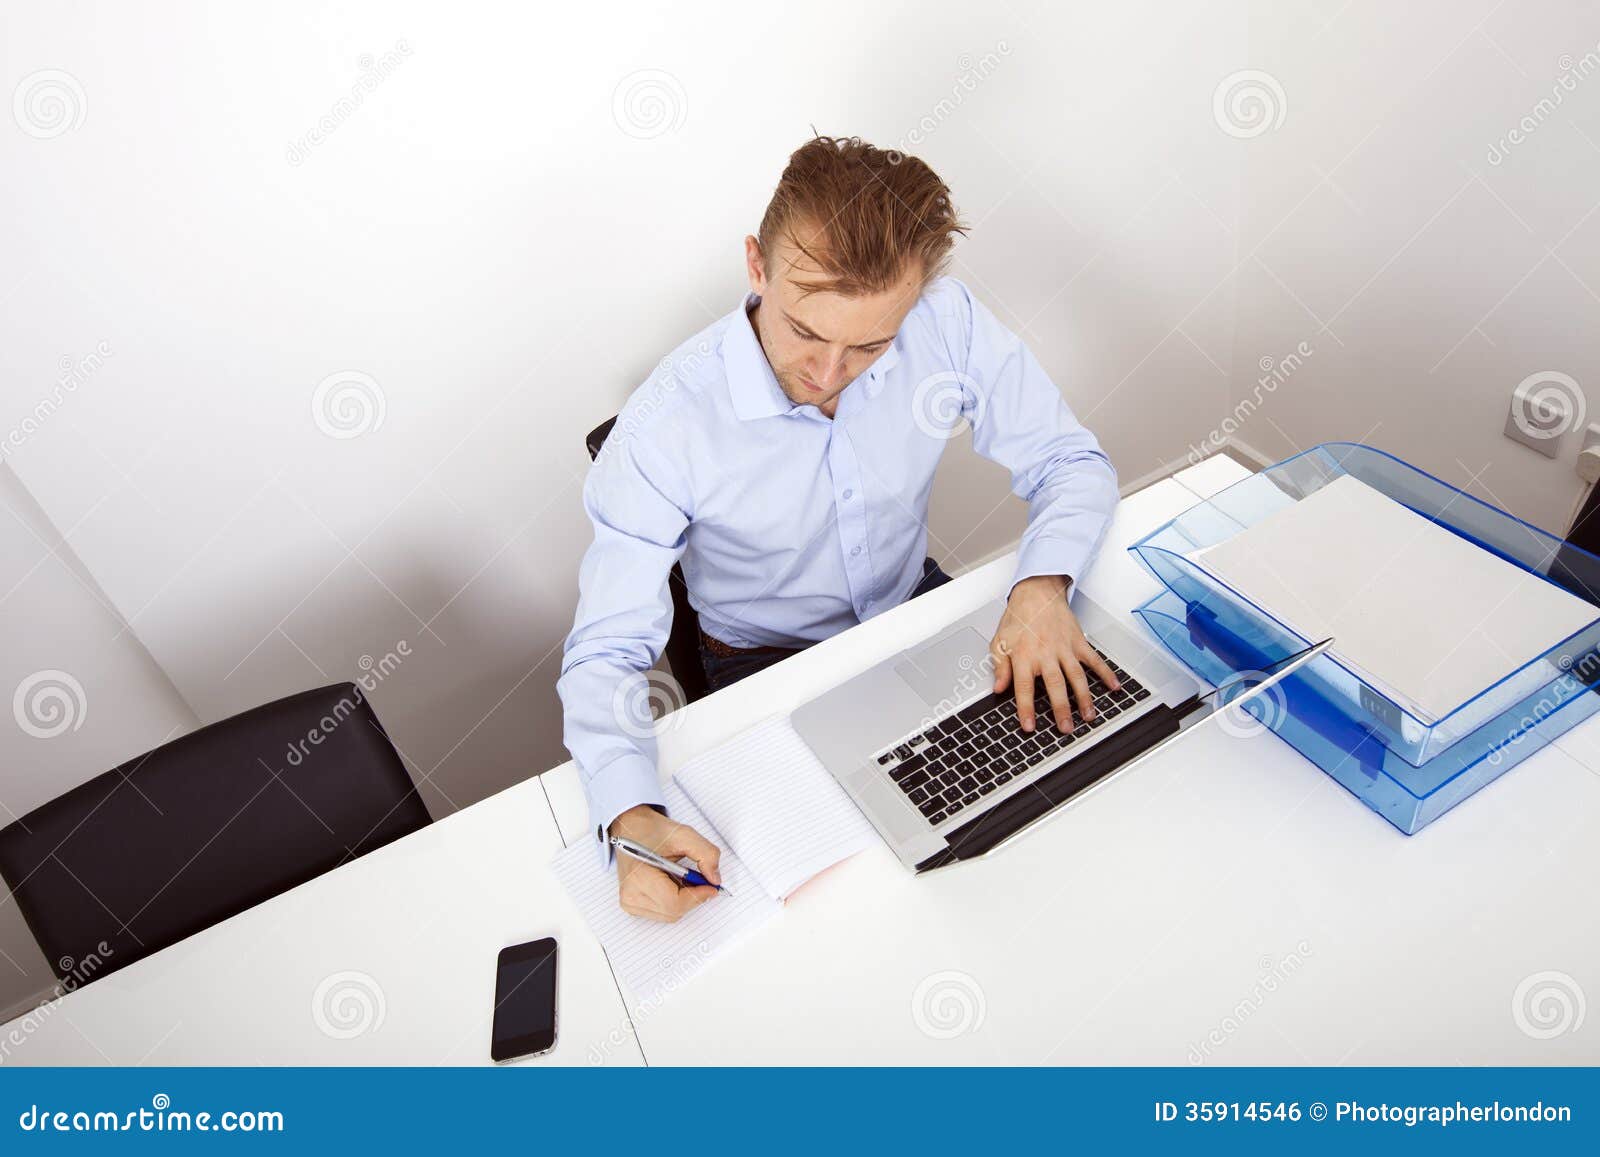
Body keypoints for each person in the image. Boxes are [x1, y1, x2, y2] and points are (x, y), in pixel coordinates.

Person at [558, 136, 1119, 922]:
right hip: (766, 664)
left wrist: (1040, 586)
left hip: (914, 607)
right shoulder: (664, 428)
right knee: (859, 906)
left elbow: (1069, 460)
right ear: (756, 266)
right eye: (805, 333)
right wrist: (629, 816)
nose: (827, 377)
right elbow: (606, 650)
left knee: (1058, 796)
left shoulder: (944, 322)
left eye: (869, 345)